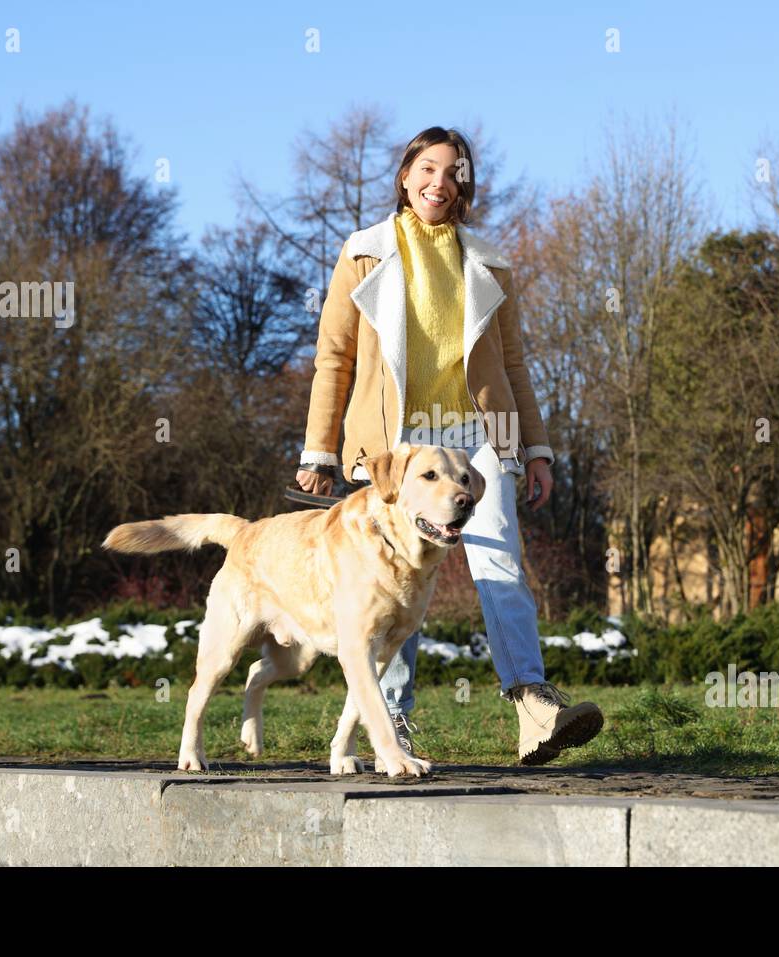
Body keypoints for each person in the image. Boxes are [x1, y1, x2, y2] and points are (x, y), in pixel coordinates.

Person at [295, 126, 602, 766]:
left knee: (502, 564)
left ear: (466, 183)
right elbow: (334, 357)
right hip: (399, 444)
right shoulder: (364, 252)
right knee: (395, 574)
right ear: (406, 175)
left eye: (454, 171)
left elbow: (513, 364)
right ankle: (393, 724)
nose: (441, 182)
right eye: (428, 168)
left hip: (475, 436)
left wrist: (535, 449)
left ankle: (534, 708)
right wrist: (320, 451)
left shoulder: (488, 260)